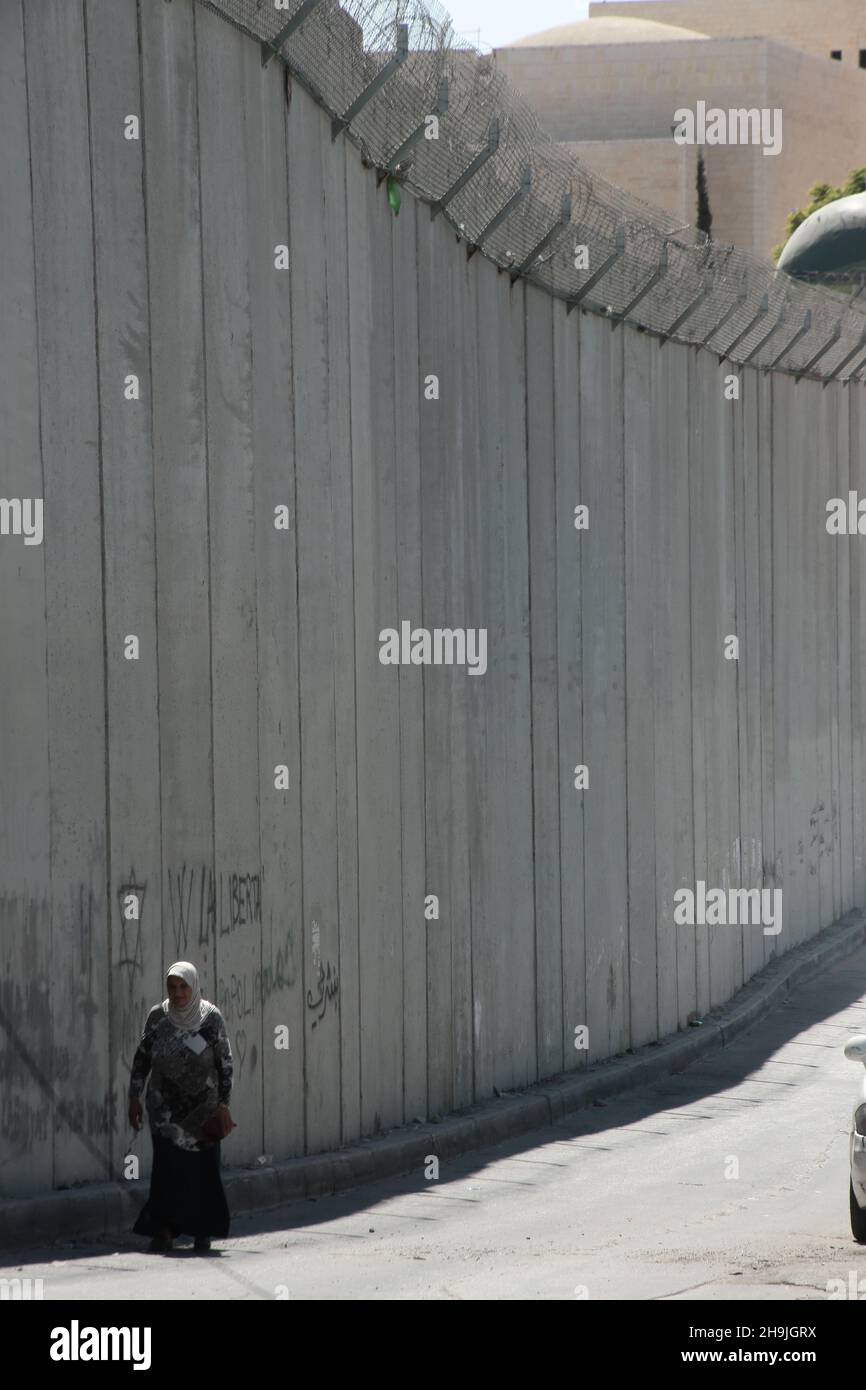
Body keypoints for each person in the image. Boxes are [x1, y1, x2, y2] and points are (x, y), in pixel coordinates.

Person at [128, 961, 233, 1253]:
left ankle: (203, 1231)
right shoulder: (158, 1018)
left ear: (194, 986)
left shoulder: (211, 1019)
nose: (177, 993)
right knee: (167, 1172)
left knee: (203, 1173)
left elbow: (225, 1064)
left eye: (183, 987)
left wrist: (224, 1104)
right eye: (172, 987)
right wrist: (134, 1097)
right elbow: (142, 1060)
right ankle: (164, 1231)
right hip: (164, 1113)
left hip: (203, 1113)